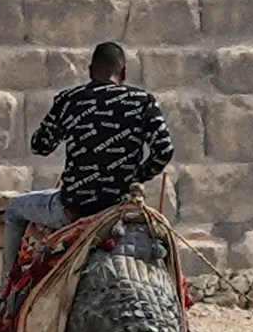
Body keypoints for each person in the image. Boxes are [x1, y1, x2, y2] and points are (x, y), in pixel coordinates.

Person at [28, 39, 173, 228]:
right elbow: (164, 150)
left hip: (76, 206)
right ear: (123, 73)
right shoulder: (143, 101)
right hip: (122, 202)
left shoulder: (69, 99)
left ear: (90, 72)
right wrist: (136, 177)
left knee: (13, 209)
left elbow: (39, 146)